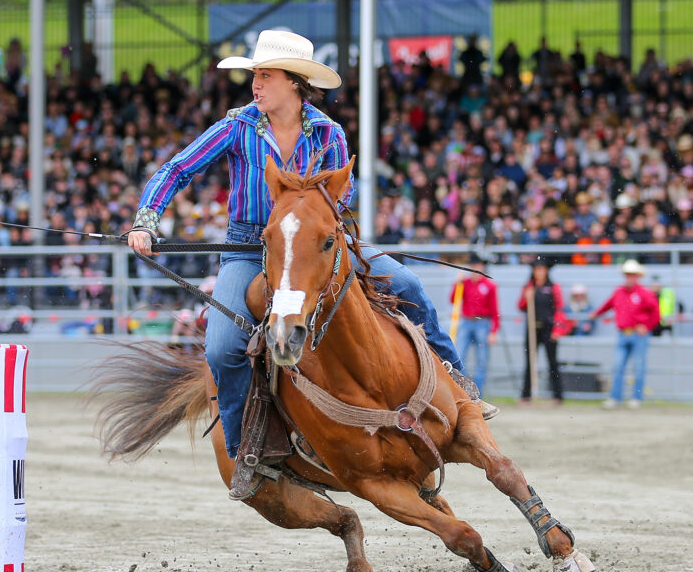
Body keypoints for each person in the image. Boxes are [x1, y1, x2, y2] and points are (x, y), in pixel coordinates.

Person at [126, 30, 492, 499]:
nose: (255, 85)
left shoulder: (329, 133)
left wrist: (313, 221)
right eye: (255, 75)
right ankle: (245, 451)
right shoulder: (236, 126)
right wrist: (146, 220)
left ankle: (459, 385)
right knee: (221, 350)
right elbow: (176, 168)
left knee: (409, 285)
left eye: (265, 76)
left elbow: (347, 194)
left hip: (319, 245)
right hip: (248, 250)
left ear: (295, 83)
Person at [591, 260, 660, 409]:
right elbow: (608, 305)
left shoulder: (644, 293)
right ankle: (616, 397)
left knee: (638, 367)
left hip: (638, 334)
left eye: (632, 275)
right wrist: (596, 314)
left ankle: (636, 398)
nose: (629, 278)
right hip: (623, 333)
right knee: (618, 366)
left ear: (637, 276)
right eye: (627, 275)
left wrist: (646, 326)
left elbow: (656, 313)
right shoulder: (619, 292)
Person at [517, 258, 564, 405]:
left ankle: (558, 395)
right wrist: (526, 297)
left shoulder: (553, 287)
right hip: (532, 328)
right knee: (530, 362)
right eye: (537, 269)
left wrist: (557, 329)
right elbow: (521, 306)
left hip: (548, 328)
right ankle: (526, 395)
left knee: (552, 362)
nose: (539, 272)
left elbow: (559, 309)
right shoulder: (529, 287)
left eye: (542, 269)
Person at [450, 254, 499, 394]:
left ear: (483, 267)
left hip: (483, 323)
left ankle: (478, 394)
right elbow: (453, 300)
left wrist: (493, 331)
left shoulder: (490, 285)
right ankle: (463, 392)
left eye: (478, 265)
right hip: (466, 322)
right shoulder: (464, 283)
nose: (476, 268)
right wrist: (456, 284)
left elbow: (495, 311)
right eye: (473, 266)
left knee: (482, 361)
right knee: (459, 358)